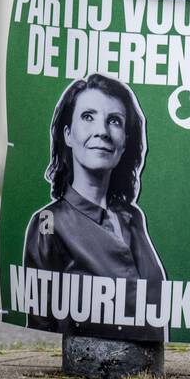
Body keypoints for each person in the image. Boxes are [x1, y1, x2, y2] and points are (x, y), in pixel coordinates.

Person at [22, 73, 167, 341]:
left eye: (114, 121)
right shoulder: (48, 222)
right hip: (88, 365)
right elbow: (41, 321)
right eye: (88, 117)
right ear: (68, 134)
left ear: (124, 142)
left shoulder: (132, 218)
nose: (101, 130)